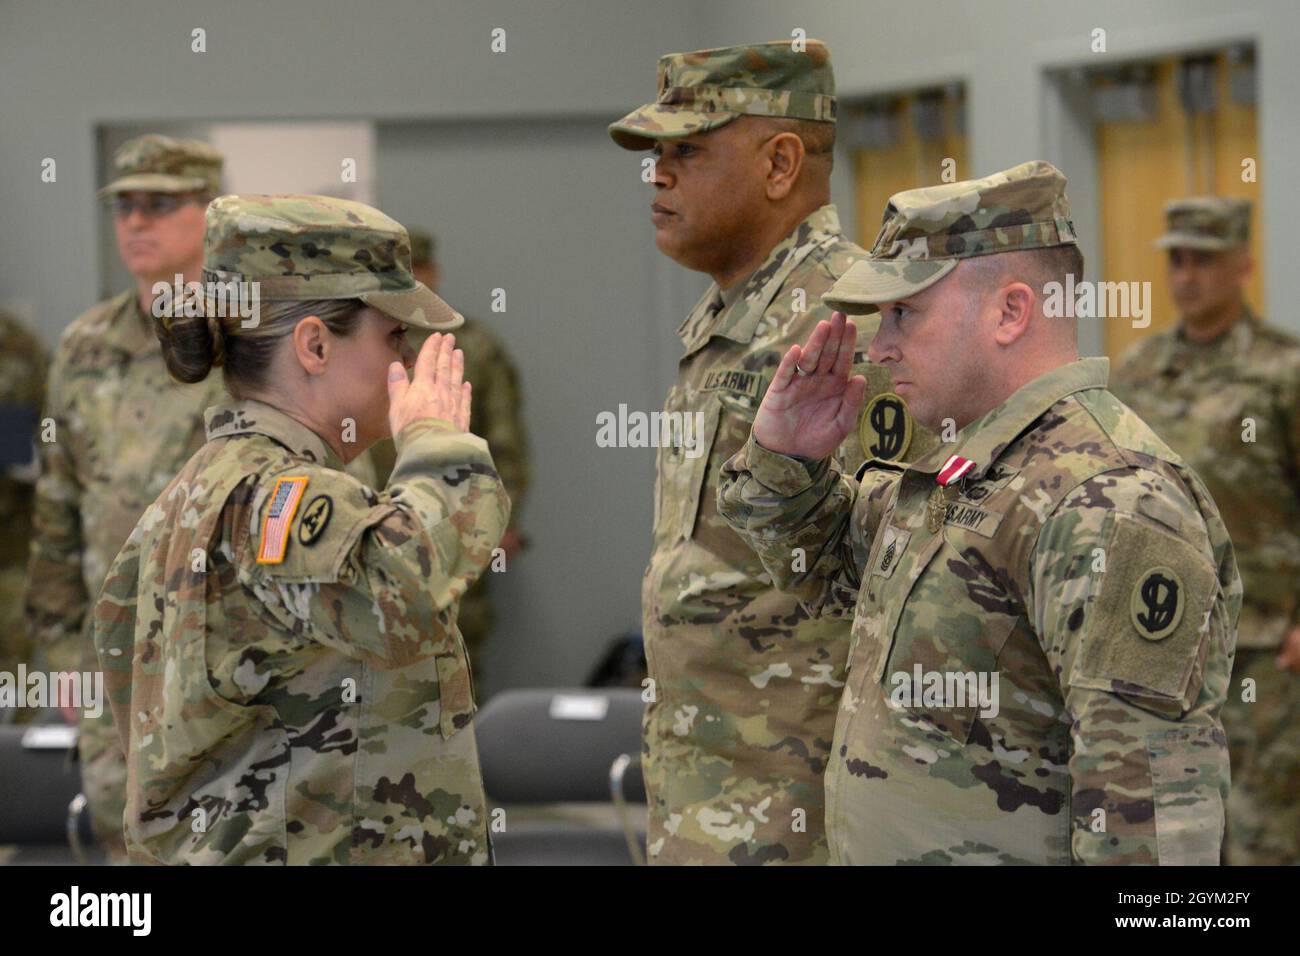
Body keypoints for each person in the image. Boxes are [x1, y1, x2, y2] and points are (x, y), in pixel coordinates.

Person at [718, 161, 1240, 864]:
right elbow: (827, 575)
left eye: (905, 311)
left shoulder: (1110, 500)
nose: (880, 347)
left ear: (1010, 311)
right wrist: (789, 459)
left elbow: (1149, 821)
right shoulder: (962, 467)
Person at [93, 194, 508, 865]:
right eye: (393, 336)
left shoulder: (201, 486)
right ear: (315, 344)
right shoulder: (274, 494)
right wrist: (440, 447)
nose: (407, 361)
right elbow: (398, 596)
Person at [609, 39, 934, 864]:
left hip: (804, 813)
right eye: (656, 155)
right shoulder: (735, 319)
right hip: (713, 800)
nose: (658, 176)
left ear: (781, 162)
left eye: (686, 151)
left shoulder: (849, 326)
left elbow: (909, 586)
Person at [24, 134, 227, 860]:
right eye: (126, 206)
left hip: (223, 663)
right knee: (126, 855)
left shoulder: (249, 337)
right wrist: (60, 659)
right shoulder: (85, 345)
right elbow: (57, 513)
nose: (136, 222)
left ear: (211, 212)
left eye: (161, 204)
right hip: (111, 670)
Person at [1112, 197, 1300, 865]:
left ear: (1243, 263)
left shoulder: (1283, 369)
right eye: (1178, 260)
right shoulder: (1138, 368)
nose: (1187, 275)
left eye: (1205, 259)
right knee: (1177, 836)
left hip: (1264, 646)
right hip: (1165, 640)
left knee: (1262, 834)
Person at [369, 229, 531, 690]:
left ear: (432, 274)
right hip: (372, 520)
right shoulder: (364, 345)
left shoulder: (472, 347)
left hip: (454, 521)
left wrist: (503, 521)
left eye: (415, 272)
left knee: (455, 652)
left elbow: (506, 443)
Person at [0, 311, 46, 690]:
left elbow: (51, 427)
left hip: (11, 549)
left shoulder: (16, 343)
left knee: (17, 678)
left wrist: (21, 446)